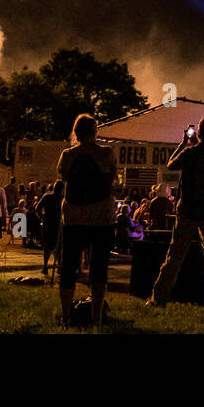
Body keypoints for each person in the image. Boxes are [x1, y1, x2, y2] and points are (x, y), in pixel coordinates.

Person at [150, 116, 204, 311]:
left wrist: (183, 144)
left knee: (174, 257)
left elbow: (170, 164)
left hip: (188, 211)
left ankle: (158, 298)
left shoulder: (190, 153)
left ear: (199, 132)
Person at [57, 115, 119, 327]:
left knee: (68, 267)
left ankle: (66, 317)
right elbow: (113, 180)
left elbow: (63, 178)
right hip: (102, 215)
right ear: (95, 131)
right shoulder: (107, 153)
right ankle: (97, 318)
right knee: (99, 267)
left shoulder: (67, 154)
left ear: (76, 131)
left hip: (74, 215)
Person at [36, 180, 65, 275]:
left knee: (50, 246)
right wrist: (43, 217)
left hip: (52, 223)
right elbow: (38, 208)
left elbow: (37, 208)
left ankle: (48, 266)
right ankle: (55, 267)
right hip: (54, 224)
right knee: (56, 246)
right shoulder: (60, 198)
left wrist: (43, 217)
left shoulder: (51, 197)